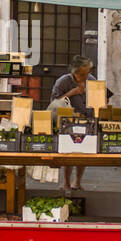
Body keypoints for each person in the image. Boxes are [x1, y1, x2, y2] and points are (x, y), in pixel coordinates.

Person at [50, 55, 94, 192]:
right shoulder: (63, 82)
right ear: (75, 72)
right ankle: (66, 182)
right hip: (68, 122)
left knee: (84, 152)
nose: (86, 76)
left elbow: (99, 98)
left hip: (87, 120)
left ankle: (77, 182)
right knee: (68, 152)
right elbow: (54, 102)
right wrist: (73, 92)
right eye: (82, 74)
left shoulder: (92, 81)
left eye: (88, 72)